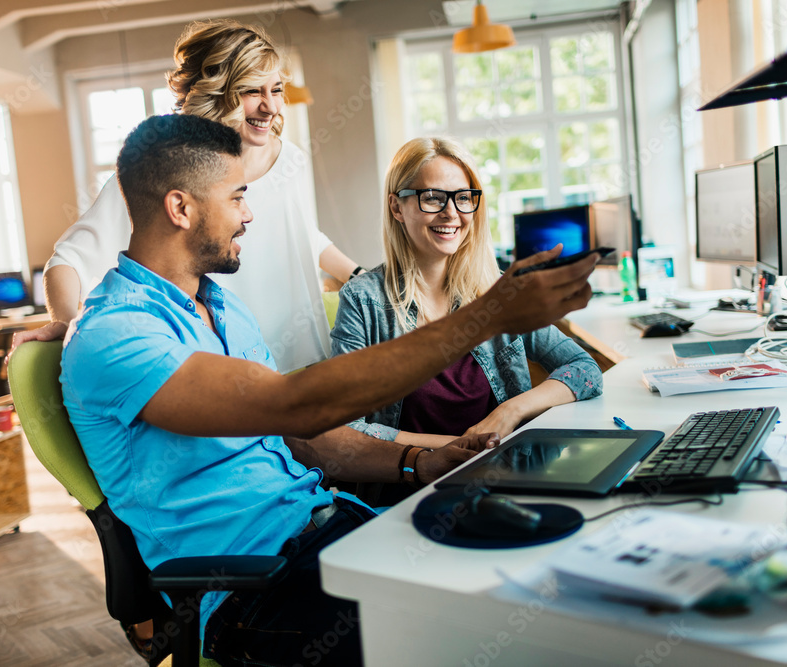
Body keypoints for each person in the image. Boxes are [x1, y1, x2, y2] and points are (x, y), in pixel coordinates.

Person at [60, 114, 599, 666]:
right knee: (464, 638)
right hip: (252, 590)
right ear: (181, 208)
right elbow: (293, 404)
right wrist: (487, 316)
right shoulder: (116, 333)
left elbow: (304, 436)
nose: (249, 215)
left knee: (535, 587)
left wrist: (417, 462)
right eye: (238, 197)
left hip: (335, 521)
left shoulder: (222, 306)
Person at [19, 19, 360, 372]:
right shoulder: (165, 170)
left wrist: (364, 278)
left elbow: (305, 236)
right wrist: (68, 325)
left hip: (308, 356)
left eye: (276, 90)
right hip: (228, 373)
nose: (271, 107)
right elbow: (66, 260)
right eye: (252, 91)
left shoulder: (291, 159)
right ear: (218, 92)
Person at [330, 137, 603, 504]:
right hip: (407, 492)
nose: (451, 213)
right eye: (432, 198)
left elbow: (584, 368)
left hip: (502, 480)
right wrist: (456, 447)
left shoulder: (496, 292)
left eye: (462, 197)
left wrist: (510, 412)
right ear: (397, 207)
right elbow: (345, 428)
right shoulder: (363, 300)